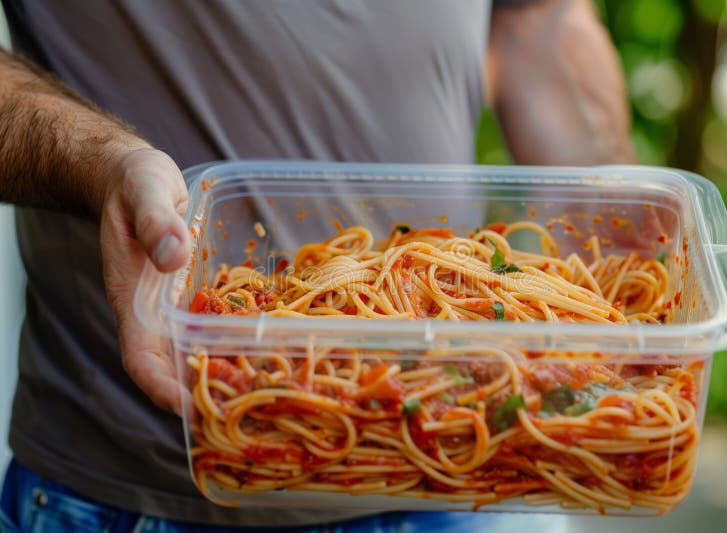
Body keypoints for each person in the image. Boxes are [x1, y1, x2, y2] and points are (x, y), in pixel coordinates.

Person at [0, 0, 633, 531]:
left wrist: (618, 202)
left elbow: (539, 19)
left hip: (479, 463)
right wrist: (100, 162)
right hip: (137, 486)